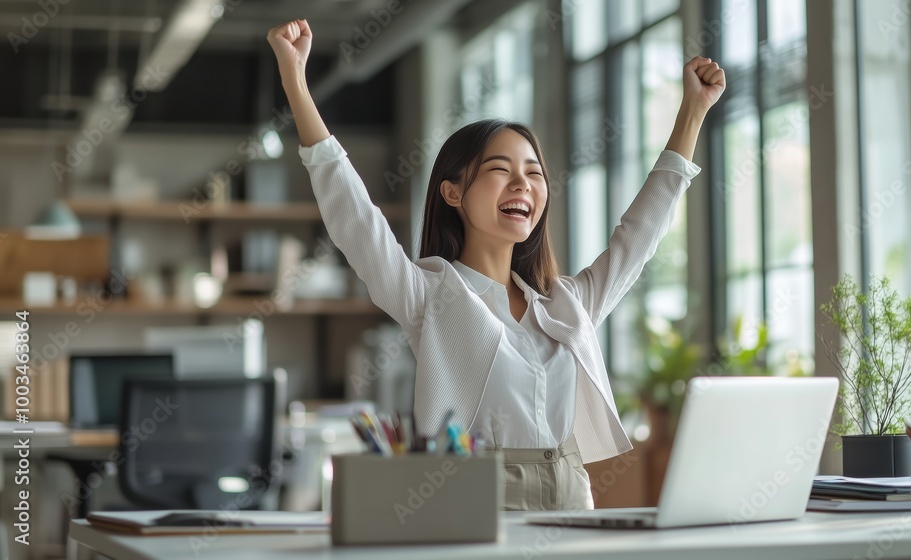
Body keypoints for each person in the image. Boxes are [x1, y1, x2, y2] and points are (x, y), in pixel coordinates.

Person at [267, 19, 725, 511]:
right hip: (479, 490)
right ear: (453, 193)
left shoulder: (566, 304)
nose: (522, 184)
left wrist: (693, 112)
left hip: (571, 488)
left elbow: (639, 235)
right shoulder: (429, 296)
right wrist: (296, 82)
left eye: (533, 173)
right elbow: (355, 217)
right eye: (500, 171)